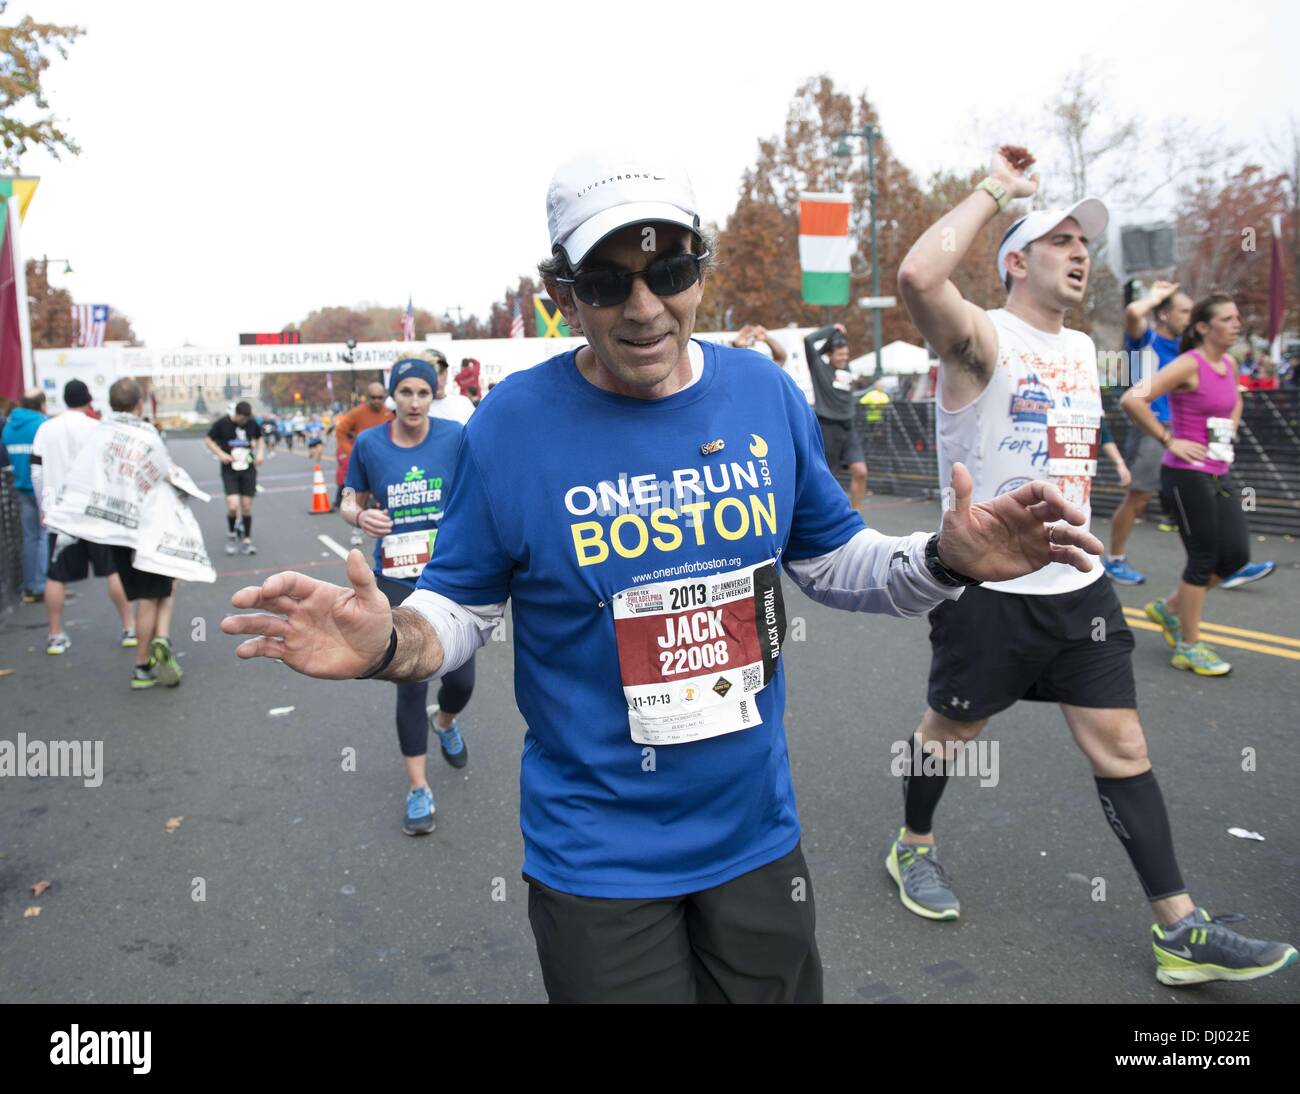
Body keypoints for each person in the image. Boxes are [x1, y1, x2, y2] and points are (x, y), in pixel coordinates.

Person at [225, 151, 1111, 1004]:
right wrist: (389, 643)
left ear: (702, 268)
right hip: (597, 858)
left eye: (670, 269)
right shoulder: (511, 426)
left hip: (755, 837)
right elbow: (457, 608)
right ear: (561, 296)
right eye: (607, 284)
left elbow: (836, 561)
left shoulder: (763, 394)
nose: (645, 308)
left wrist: (945, 560)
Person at [891, 145, 1295, 985]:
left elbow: (1069, 434)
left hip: (1079, 585)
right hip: (989, 587)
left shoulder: (1080, 348)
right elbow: (919, 279)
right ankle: (913, 845)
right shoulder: (981, 337)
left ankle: (1177, 929)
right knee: (951, 734)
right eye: (1059, 240)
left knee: (1123, 743)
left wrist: (1106, 467)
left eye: (1085, 242)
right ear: (1014, 261)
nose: (1081, 253)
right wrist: (997, 191)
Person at [340, 358, 475, 835]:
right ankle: (419, 788)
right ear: (392, 396)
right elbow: (348, 498)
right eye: (405, 392)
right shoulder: (370, 443)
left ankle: (446, 722)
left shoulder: (456, 436)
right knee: (411, 680)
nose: (414, 401)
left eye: (423, 392)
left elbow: (480, 488)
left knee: (460, 680)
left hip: (448, 573)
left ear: (432, 395)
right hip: (394, 578)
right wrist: (360, 517)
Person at [1121, 293, 1270, 675]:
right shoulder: (1189, 363)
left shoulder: (1230, 364)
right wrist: (1170, 439)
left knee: (1235, 556)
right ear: (1203, 327)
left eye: (1238, 317)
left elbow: (1233, 401)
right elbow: (1133, 399)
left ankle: (1169, 608)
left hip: (1218, 471)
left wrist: (1229, 431)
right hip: (1185, 474)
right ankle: (1188, 645)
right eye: (1228, 318)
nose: (1237, 324)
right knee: (1202, 559)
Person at [30, 379, 137, 654]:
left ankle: (55, 634)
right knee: (112, 570)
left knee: (56, 576)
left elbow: (37, 471)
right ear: (88, 400)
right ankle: (129, 627)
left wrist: (46, 506)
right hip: (96, 511)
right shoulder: (97, 428)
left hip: (62, 512)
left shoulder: (46, 428)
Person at [1103, 282, 1192, 584]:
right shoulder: (1146, 340)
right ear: (1165, 315)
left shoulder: (1186, 349)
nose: (1189, 318)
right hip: (1150, 428)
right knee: (1139, 498)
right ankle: (1114, 559)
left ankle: (1226, 559)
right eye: (1184, 311)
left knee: (1207, 490)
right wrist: (1155, 297)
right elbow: (1132, 312)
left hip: (1182, 428)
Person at [101, 379, 184, 690]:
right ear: (139, 404)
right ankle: (143, 662)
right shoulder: (146, 434)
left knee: (155, 589)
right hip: (148, 524)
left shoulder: (101, 436)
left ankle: (162, 639)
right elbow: (165, 472)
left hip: (117, 527)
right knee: (155, 592)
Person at [803, 322, 869, 510]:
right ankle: (827, 516)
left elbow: (836, 348)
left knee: (861, 472)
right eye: (840, 354)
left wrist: (839, 336)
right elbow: (809, 341)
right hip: (827, 427)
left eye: (846, 354)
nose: (844, 358)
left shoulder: (846, 370)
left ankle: (857, 517)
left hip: (848, 427)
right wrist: (833, 329)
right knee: (827, 476)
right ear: (829, 355)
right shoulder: (819, 368)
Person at [2, 389, 49, 604]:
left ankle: (30, 584)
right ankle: (42, 584)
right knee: (43, 536)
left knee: (29, 538)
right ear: (41, 404)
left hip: (20, 487)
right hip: (41, 488)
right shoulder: (42, 425)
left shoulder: (9, 426)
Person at [333, 382, 394, 546]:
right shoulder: (357, 413)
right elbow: (340, 431)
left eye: (380, 397)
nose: (377, 401)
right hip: (365, 462)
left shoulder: (391, 412)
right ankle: (357, 530)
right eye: (373, 397)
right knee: (358, 497)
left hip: (387, 462)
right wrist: (351, 452)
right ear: (368, 398)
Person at [204, 400, 265, 556]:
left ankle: (247, 540)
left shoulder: (251, 424)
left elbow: (260, 438)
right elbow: (208, 439)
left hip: (248, 468)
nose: (244, 423)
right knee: (232, 505)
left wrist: (259, 453)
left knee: (246, 505)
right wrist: (221, 454)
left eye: (247, 420)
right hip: (229, 469)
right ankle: (232, 534)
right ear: (236, 414)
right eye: (242, 419)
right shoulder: (222, 423)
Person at [426, 349, 475, 425]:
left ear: (446, 372)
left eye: (441, 371)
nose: (437, 379)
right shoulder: (415, 408)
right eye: (431, 373)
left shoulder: (463, 403)